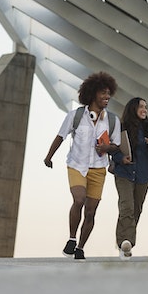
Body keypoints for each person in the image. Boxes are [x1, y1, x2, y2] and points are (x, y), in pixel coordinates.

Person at [43, 72, 123, 261]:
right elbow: (60, 136)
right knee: (79, 200)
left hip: (98, 168)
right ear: (93, 93)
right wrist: (48, 157)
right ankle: (71, 238)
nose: (107, 97)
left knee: (91, 211)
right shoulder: (76, 116)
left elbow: (116, 145)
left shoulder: (112, 120)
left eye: (109, 93)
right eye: (103, 93)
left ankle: (80, 247)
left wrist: (106, 147)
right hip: (76, 166)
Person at [112, 97, 148, 259]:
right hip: (124, 172)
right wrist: (120, 157)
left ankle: (122, 242)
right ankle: (126, 243)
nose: (145, 109)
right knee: (126, 206)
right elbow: (112, 148)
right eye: (141, 106)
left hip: (144, 173)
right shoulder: (121, 127)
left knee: (136, 209)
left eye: (146, 107)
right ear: (133, 108)